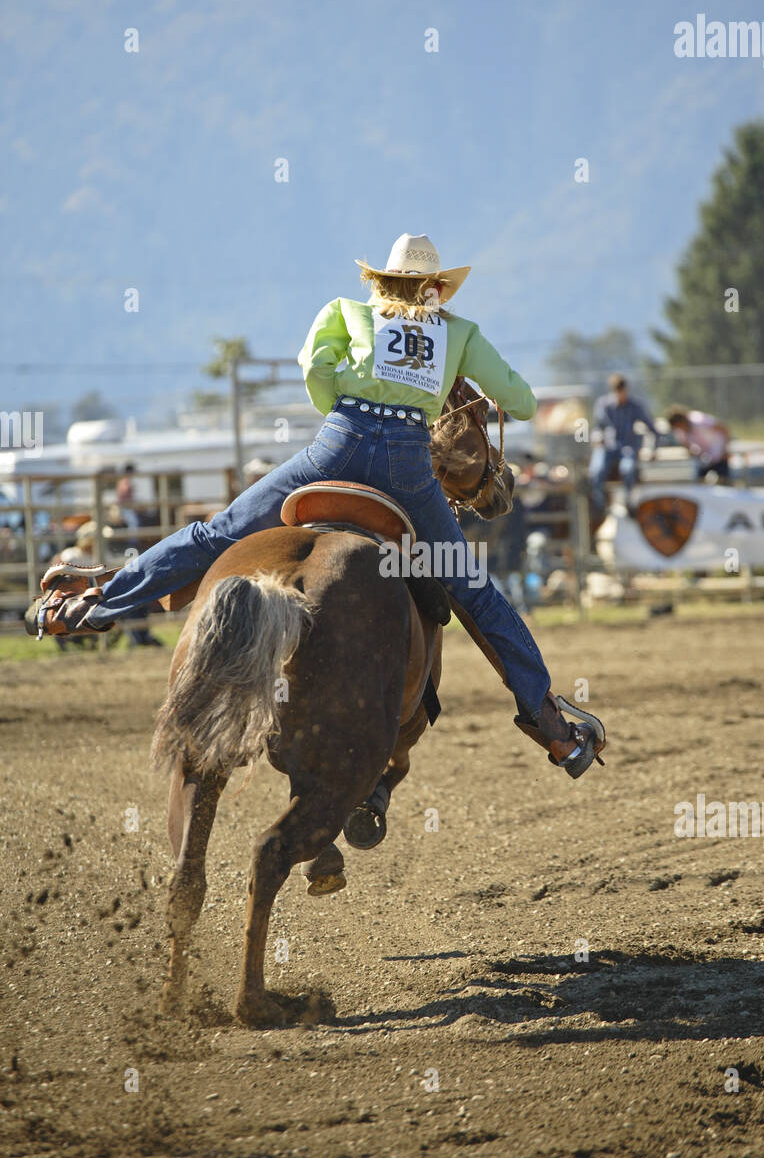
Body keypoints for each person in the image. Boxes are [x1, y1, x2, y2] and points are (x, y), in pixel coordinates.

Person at [25, 233, 605, 779]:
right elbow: (522, 402)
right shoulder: (460, 333)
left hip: (338, 444)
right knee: (475, 592)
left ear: (382, 283)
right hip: (408, 463)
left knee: (218, 534)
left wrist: (342, 415)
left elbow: (314, 368)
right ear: (436, 289)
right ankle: (554, 729)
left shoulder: (345, 313)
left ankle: (95, 606)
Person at [589, 373, 658, 514]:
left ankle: (628, 502)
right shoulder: (604, 405)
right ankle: (600, 505)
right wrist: (597, 438)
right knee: (596, 472)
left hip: (627, 447)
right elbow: (597, 427)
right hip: (607, 447)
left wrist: (652, 450)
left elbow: (653, 429)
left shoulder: (635, 406)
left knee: (628, 469)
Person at [667, 406, 730, 482]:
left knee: (724, 480)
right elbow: (685, 444)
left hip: (719, 454)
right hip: (705, 458)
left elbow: (723, 428)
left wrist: (724, 449)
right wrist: (694, 453)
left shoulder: (698, 419)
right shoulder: (681, 431)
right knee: (699, 480)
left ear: (680, 422)